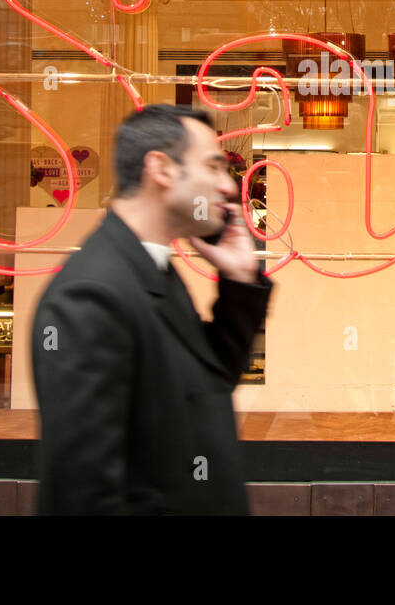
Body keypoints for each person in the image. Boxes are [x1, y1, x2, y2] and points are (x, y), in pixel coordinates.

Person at [32, 105, 273, 515]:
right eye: (213, 167)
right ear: (161, 169)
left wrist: (239, 280)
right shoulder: (92, 295)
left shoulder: (151, 268)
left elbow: (206, 383)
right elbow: (84, 494)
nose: (228, 187)